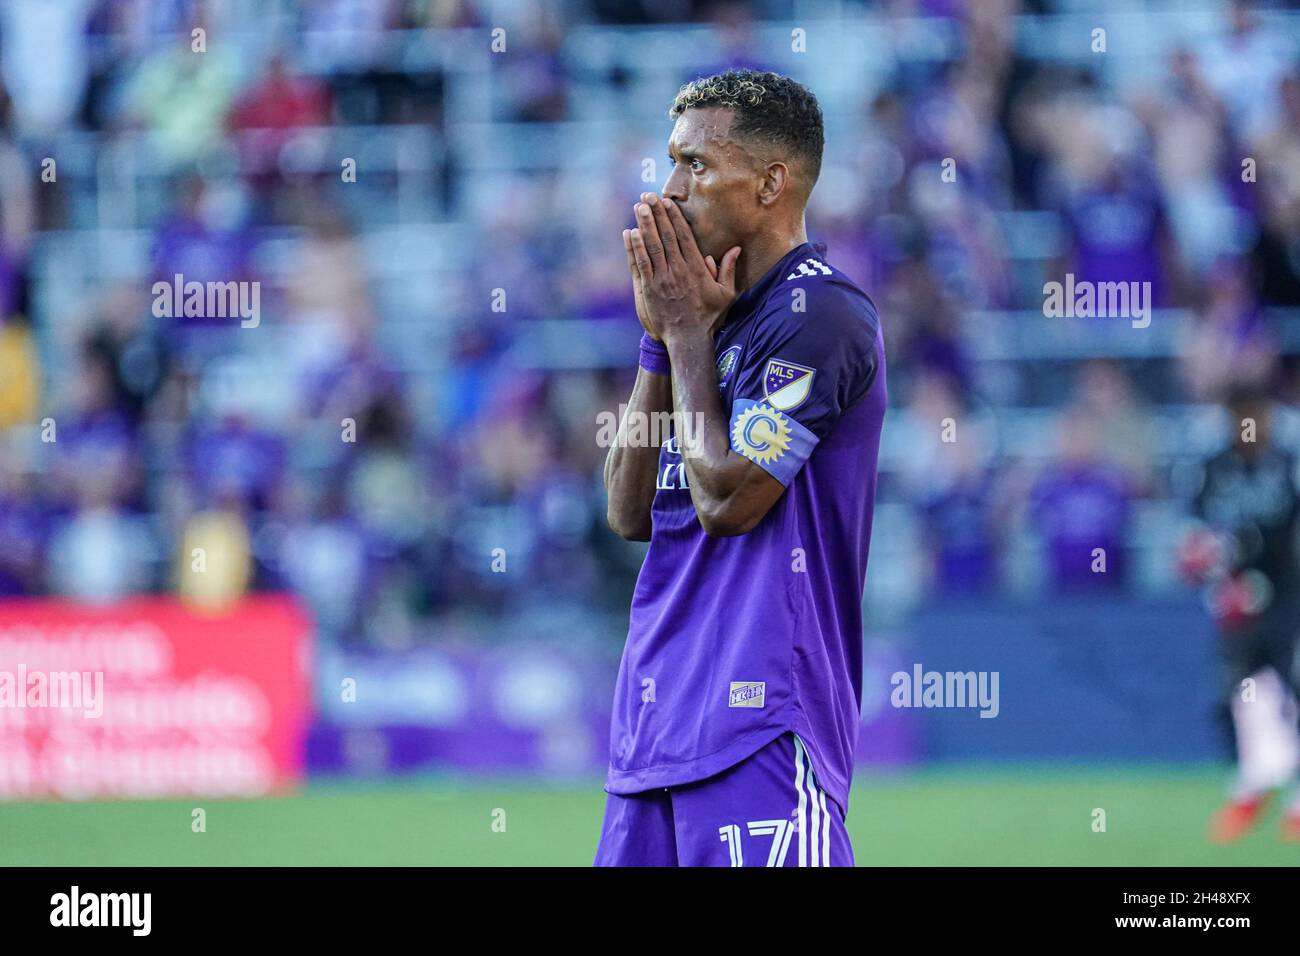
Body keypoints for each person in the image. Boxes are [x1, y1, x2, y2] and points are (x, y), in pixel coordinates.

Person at [599, 69, 887, 866]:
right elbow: (627, 513)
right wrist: (660, 340)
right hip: (653, 733)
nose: (669, 189)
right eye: (670, 161)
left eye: (695, 164)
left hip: (760, 726)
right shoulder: (703, 315)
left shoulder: (823, 315)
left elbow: (729, 501)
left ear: (769, 183)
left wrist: (688, 334)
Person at [1179, 384, 1300, 841]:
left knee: (1294, 688)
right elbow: (1194, 534)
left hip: (1289, 595)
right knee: (1243, 693)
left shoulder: (1287, 462)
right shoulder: (1212, 468)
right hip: (1236, 599)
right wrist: (1207, 565)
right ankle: (1255, 781)